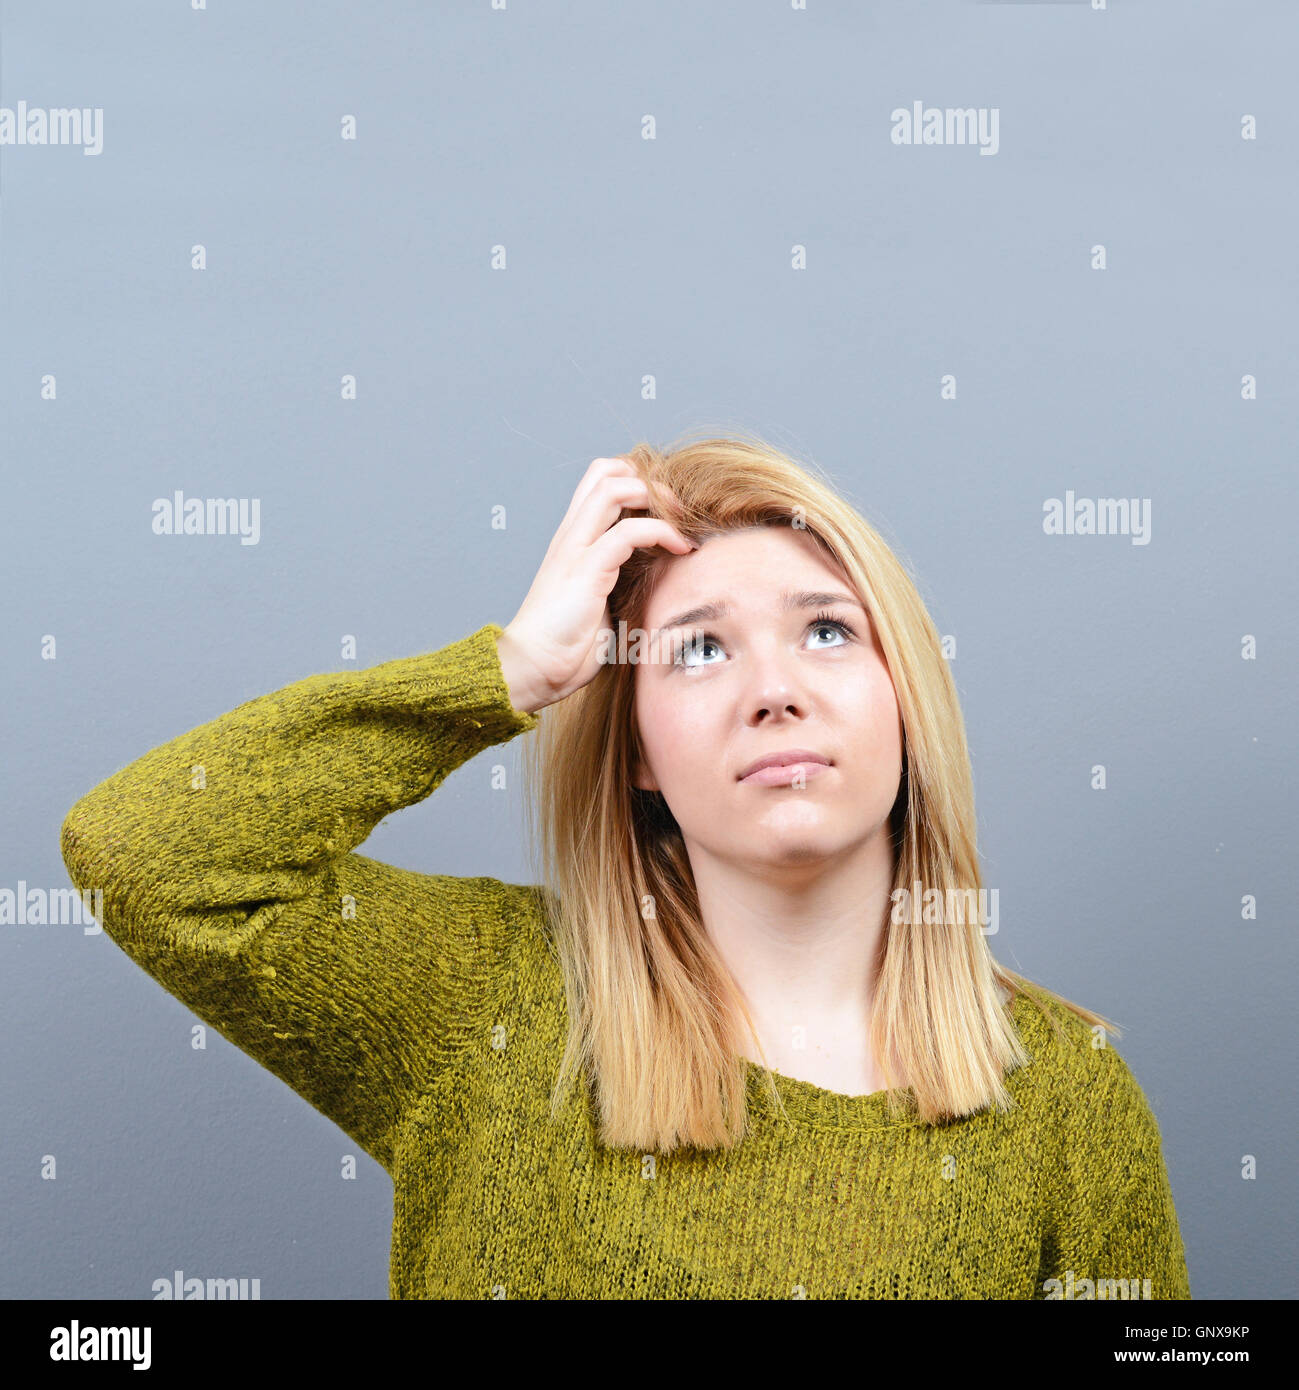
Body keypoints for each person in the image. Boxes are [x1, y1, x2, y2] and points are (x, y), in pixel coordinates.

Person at [60, 433, 1192, 1299]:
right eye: (700, 647)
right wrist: (502, 671)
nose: (773, 687)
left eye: (829, 631)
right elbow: (147, 852)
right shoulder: (485, 1003)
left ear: (908, 700)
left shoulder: (1065, 1095)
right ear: (639, 753)